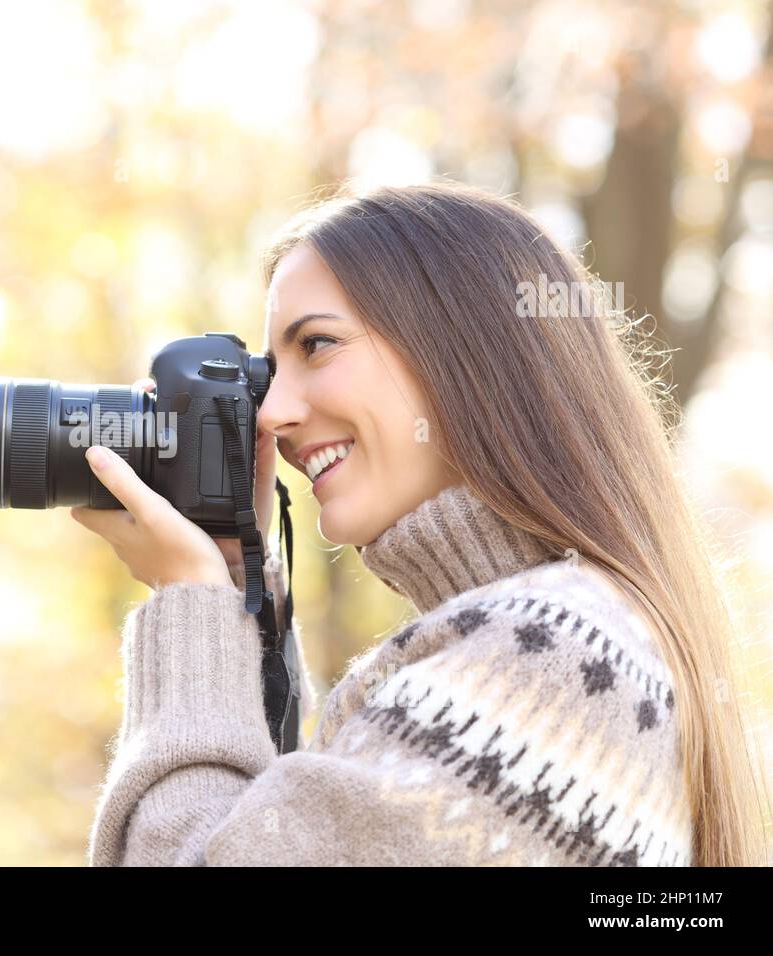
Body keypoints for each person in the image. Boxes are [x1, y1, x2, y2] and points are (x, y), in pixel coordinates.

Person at [69, 180, 769, 867]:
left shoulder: (558, 655)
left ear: (467, 350)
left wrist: (192, 604)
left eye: (316, 345)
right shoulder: (541, 641)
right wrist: (235, 583)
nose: (271, 413)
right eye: (266, 373)